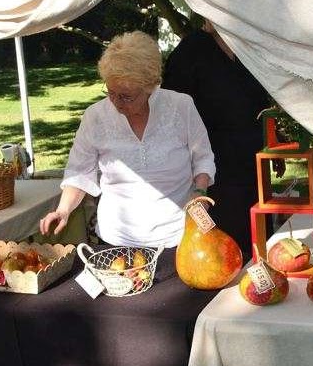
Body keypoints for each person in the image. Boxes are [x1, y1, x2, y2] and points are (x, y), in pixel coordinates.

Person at [39, 31, 216, 248]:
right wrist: (63, 210)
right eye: (111, 92)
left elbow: (203, 158)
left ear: (150, 86)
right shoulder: (95, 116)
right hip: (117, 239)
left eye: (126, 96)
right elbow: (79, 172)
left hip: (178, 236)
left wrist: (199, 195)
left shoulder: (181, 106)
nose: (116, 102)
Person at [163, 20, 277, 260]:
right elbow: (172, 112)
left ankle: (260, 278)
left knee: (258, 231)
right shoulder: (190, 51)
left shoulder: (249, 47)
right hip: (214, 164)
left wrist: (275, 142)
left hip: (253, 159)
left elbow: (263, 103)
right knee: (226, 240)